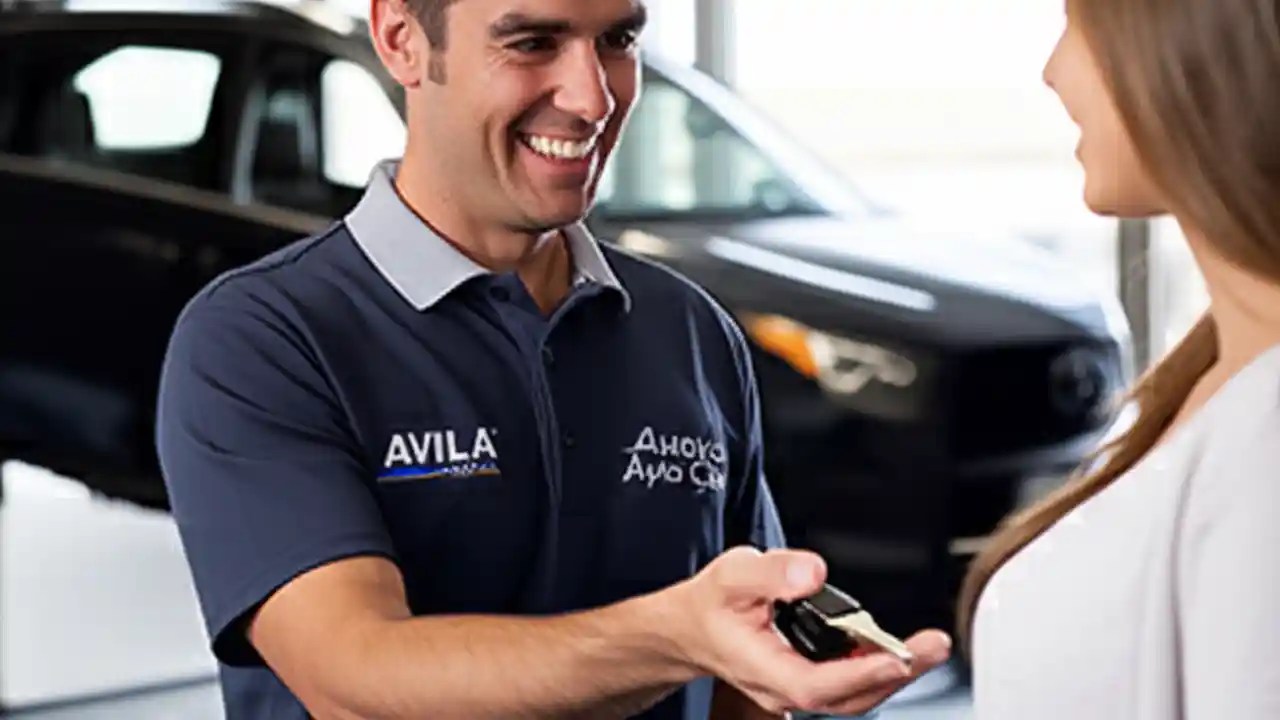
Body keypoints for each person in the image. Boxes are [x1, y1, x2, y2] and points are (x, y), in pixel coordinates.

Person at [154, 0, 951, 718]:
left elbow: (746, 655)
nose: (594, 97)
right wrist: (672, 638)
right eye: (533, 42)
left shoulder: (690, 329)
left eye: (618, 39)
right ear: (401, 40)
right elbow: (354, 677)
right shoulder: (262, 336)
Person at [957, 0, 1280, 718]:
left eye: (1080, 25)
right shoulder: (1209, 380)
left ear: (1192, 41)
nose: (1053, 71)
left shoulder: (1266, 429)